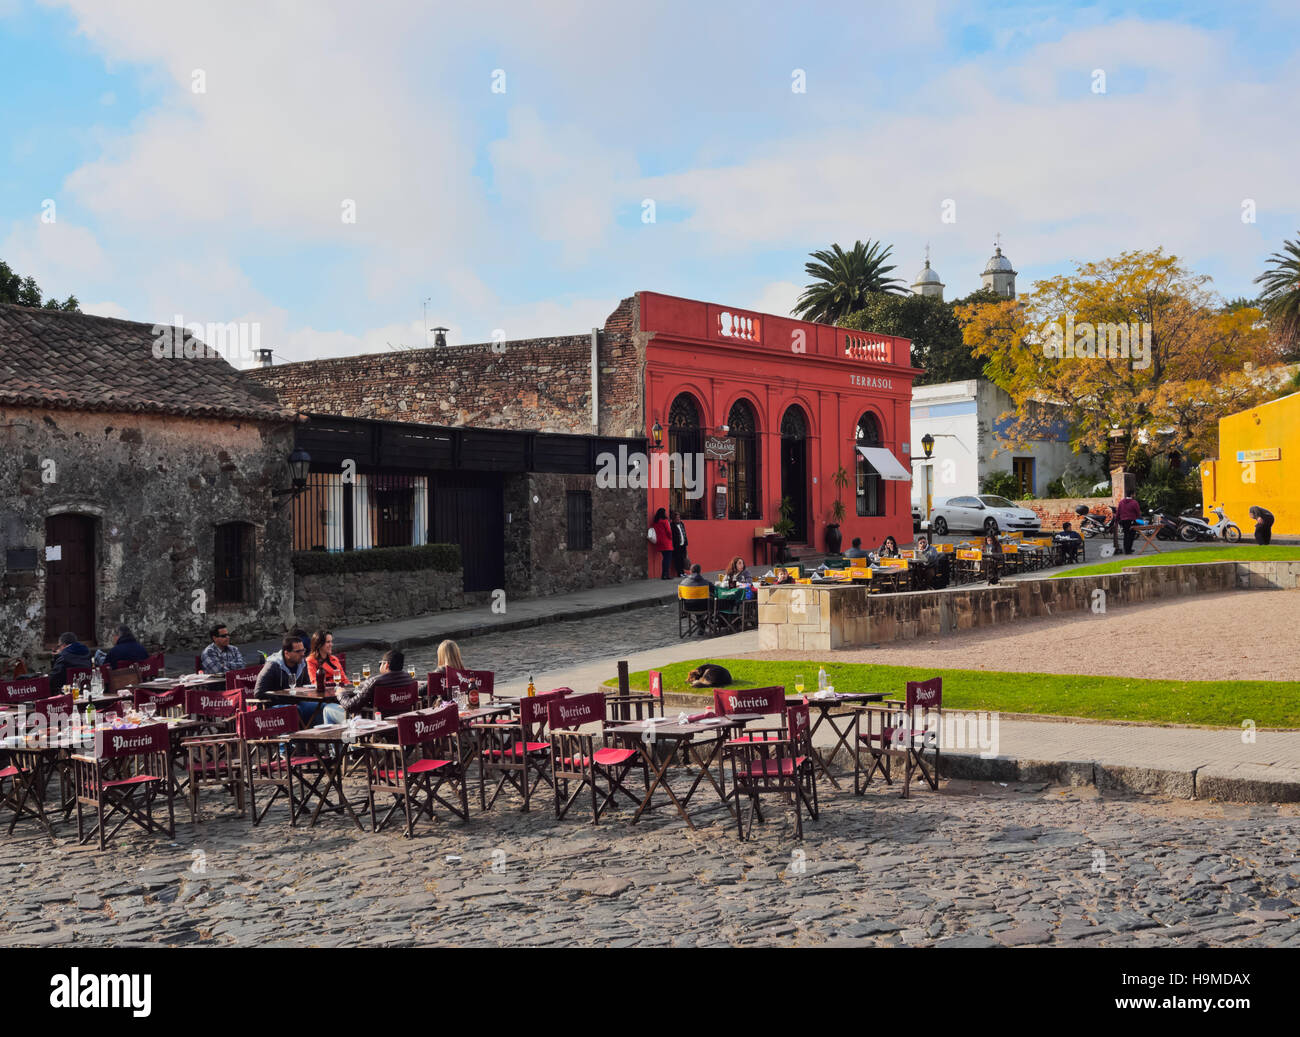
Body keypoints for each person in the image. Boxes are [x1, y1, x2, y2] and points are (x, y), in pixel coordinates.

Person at [321, 648, 408, 724]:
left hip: (372, 722)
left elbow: (351, 706)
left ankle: (335, 742)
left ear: (386, 665)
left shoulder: (375, 681)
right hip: (399, 722)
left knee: (328, 708)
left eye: (380, 663)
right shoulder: (409, 680)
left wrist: (341, 694)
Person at [253, 634, 313, 724]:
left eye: (303, 650)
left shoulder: (302, 663)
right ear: (287, 653)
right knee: (295, 710)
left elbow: (306, 686)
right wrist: (283, 697)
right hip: (273, 706)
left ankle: (316, 735)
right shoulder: (272, 666)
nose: (302, 654)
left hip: (295, 702)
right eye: (298, 651)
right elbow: (258, 693)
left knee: (321, 707)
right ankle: (295, 737)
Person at [650, 507, 674, 580]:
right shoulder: (665, 521)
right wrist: (671, 538)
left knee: (665, 559)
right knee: (667, 559)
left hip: (660, 542)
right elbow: (669, 531)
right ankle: (665, 575)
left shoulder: (656, 522)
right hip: (667, 542)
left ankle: (664, 574)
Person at [670, 509, 689, 578]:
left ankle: (683, 572)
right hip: (676, 545)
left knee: (682, 558)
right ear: (674, 519)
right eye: (677, 518)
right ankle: (679, 573)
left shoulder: (681, 524)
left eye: (679, 517)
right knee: (677, 559)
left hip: (683, 544)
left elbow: (684, 533)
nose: (678, 519)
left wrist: (685, 542)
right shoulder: (672, 525)